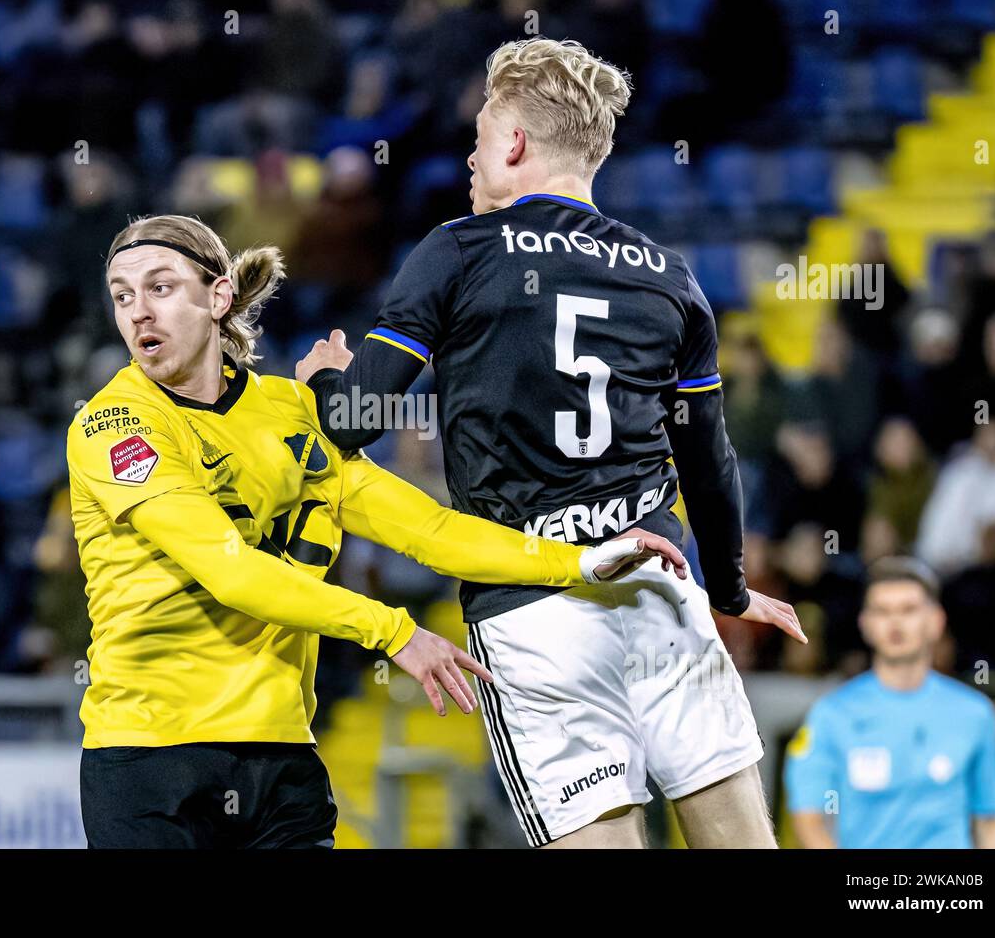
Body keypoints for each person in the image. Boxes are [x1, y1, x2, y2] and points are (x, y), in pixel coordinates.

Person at [296, 37, 805, 848]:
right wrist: (732, 589)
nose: (468, 159)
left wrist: (325, 379)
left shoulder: (458, 250)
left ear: (515, 143)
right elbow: (710, 460)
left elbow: (355, 424)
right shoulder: (668, 274)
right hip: (660, 590)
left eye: (476, 138)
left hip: (533, 606)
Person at [69, 214, 685, 849]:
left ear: (218, 297)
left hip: (280, 758)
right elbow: (231, 572)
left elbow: (429, 528)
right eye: (122, 295)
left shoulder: (294, 412)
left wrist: (579, 561)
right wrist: (393, 632)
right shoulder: (113, 425)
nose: (139, 311)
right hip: (148, 760)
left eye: (161, 288)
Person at [785, 557, 995, 848]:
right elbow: (810, 819)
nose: (895, 622)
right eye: (882, 611)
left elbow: (994, 818)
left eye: (908, 610)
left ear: (936, 621)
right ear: (865, 623)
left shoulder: (973, 713)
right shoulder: (831, 714)